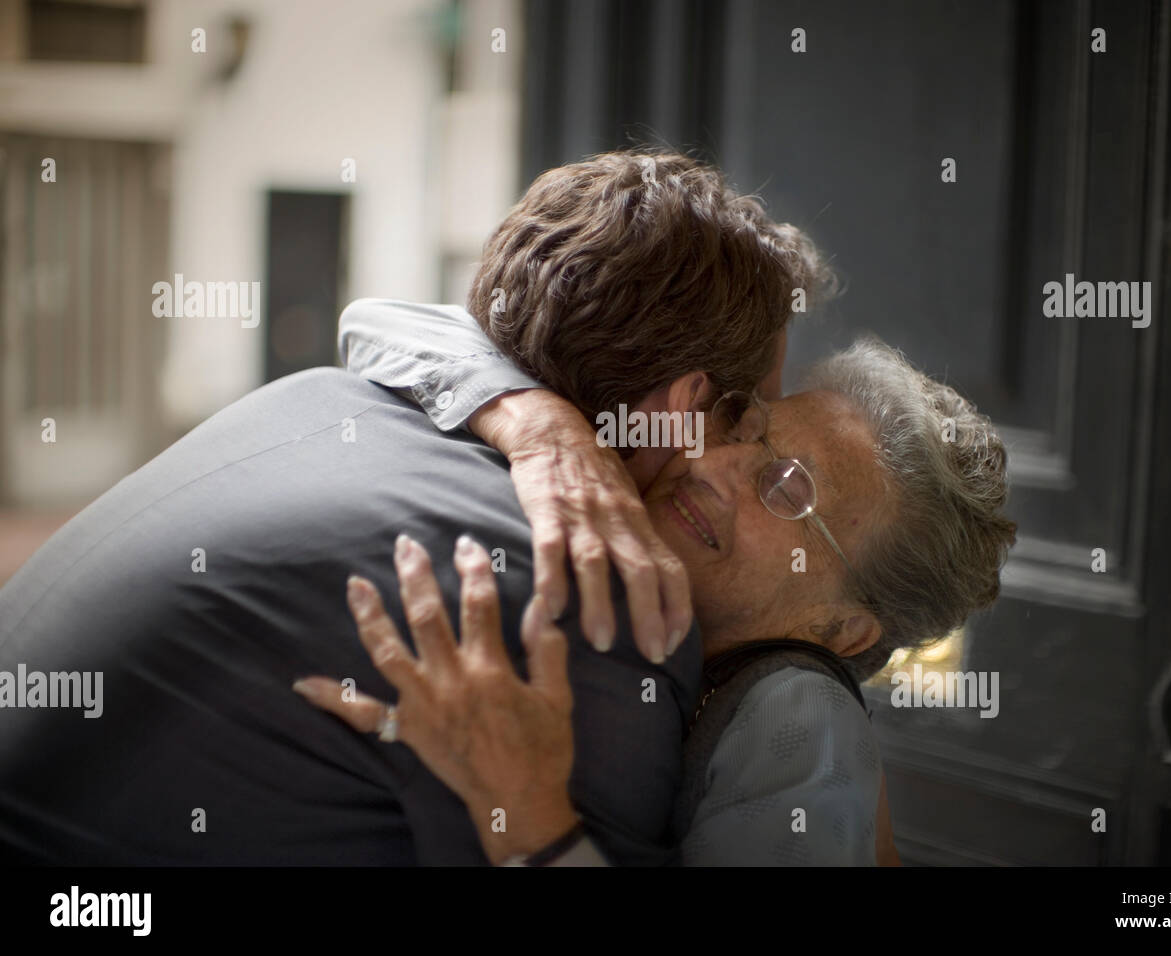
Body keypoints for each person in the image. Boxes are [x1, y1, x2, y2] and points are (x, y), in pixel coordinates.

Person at [0, 149, 827, 864]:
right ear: (683, 404)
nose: (745, 452)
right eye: (746, 418)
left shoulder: (320, 394)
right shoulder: (589, 605)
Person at [301, 296, 1017, 864]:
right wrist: (540, 425)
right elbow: (378, 318)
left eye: (786, 488)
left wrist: (526, 812)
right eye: (744, 427)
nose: (711, 464)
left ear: (842, 628)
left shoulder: (801, 716)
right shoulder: (605, 488)